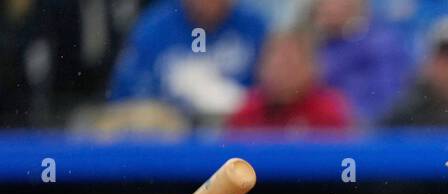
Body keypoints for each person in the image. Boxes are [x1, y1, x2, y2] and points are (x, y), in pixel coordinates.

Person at [108, 0, 268, 123]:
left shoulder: (254, 26)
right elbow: (126, 94)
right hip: (170, 136)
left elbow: (274, 91)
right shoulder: (153, 28)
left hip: (237, 132)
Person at [227, 29, 353, 130]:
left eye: (288, 64)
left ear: (310, 68)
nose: (279, 73)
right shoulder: (247, 111)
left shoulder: (328, 112)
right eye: (274, 64)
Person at [312, 0, 414, 125]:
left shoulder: (380, 43)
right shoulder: (318, 46)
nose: (328, 7)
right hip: (327, 127)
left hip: (370, 129)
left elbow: (388, 97)